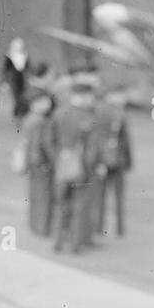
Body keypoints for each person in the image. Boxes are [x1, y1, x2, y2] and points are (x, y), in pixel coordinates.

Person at [49, 75, 101, 254]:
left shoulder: (58, 113)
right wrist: (89, 167)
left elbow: (50, 140)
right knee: (79, 204)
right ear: (85, 96)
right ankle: (75, 243)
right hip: (81, 169)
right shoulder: (89, 117)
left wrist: (57, 159)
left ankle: (58, 241)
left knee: (62, 204)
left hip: (62, 165)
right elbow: (92, 149)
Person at [94, 90, 133, 237]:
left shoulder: (97, 110)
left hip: (102, 160)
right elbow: (126, 141)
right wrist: (128, 161)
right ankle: (120, 228)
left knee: (101, 196)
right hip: (118, 160)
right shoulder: (119, 113)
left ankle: (98, 227)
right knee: (118, 196)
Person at [19, 91, 55, 235]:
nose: (48, 104)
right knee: (44, 195)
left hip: (32, 162)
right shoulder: (40, 121)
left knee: (35, 193)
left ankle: (34, 224)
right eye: (45, 101)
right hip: (41, 162)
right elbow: (43, 144)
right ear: (36, 103)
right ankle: (43, 227)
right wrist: (51, 160)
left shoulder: (29, 118)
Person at [2, 37, 29, 120]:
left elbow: (28, 68)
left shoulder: (25, 56)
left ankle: (20, 113)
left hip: (23, 80)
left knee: (22, 96)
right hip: (13, 80)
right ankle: (17, 113)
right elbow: (5, 70)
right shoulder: (9, 56)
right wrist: (5, 82)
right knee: (16, 97)